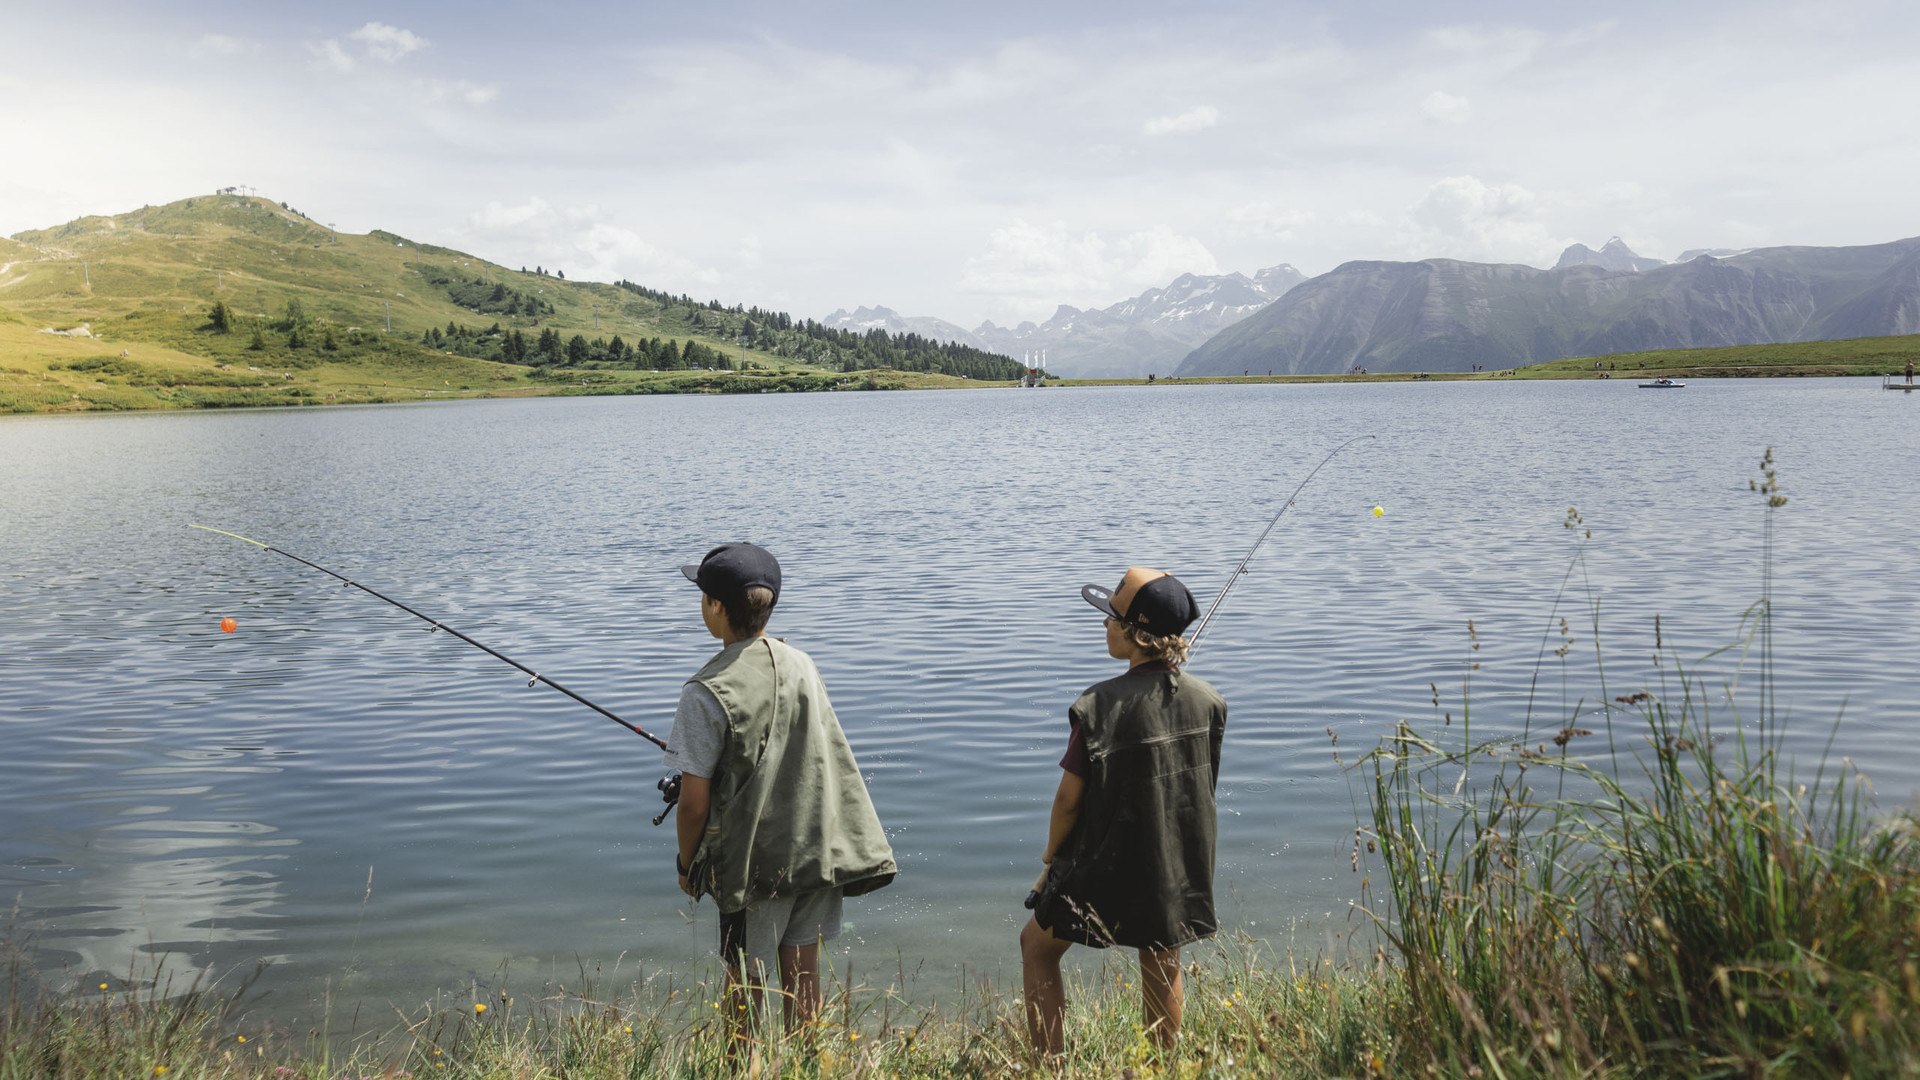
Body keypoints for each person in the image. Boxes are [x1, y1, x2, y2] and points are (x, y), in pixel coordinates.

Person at [665, 543, 896, 1039]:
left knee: (744, 979)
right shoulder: (802, 664)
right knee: (802, 968)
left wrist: (687, 865)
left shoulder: (705, 691)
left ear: (717, 607)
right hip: (816, 848)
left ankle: (741, 1067)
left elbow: (693, 802)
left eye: (704, 596)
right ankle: (805, 1061)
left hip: (754, 862)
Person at [1019, 567, 1228, 1057]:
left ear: (1136, 632)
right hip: (1175, 858)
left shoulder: (1097, 706)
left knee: (1036, 947)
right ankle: (1163, 1067)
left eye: (1112, 618)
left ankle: (1048, 1065)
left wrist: (1050, 857)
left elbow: (1068, 800)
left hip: (1103, 862)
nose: (1105, 626)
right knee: (1162, 957)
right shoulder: (1210, 702)